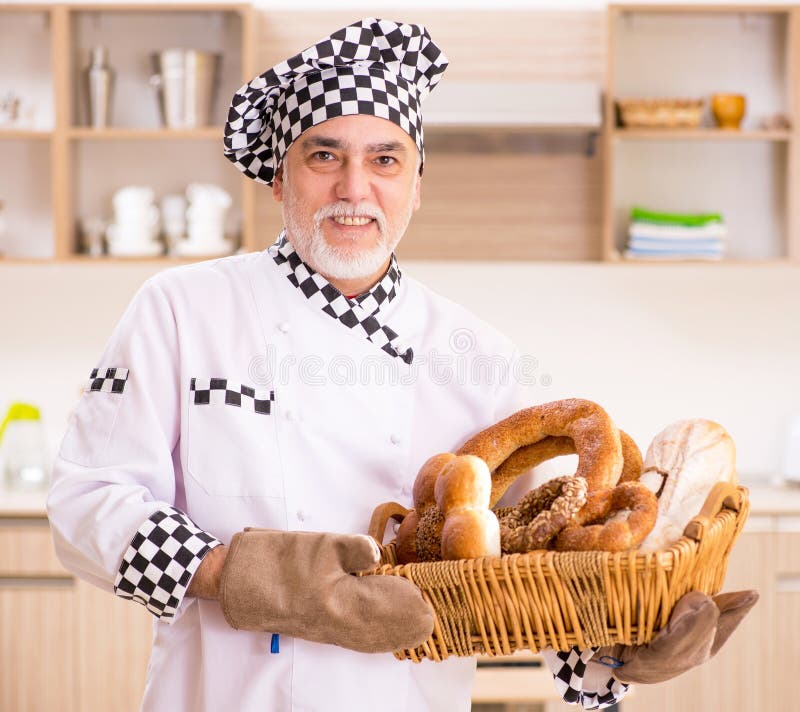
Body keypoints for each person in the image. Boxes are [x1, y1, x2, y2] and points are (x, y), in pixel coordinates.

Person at [47, 18, 755, 712]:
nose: (354, 188)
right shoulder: (181, 309)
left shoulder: (479, 358)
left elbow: (538, 573)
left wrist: (619, 654)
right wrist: (254, 577)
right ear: (277, 180)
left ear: (416, 185)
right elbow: (88, 505)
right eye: (324, 156)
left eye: (385, 160)